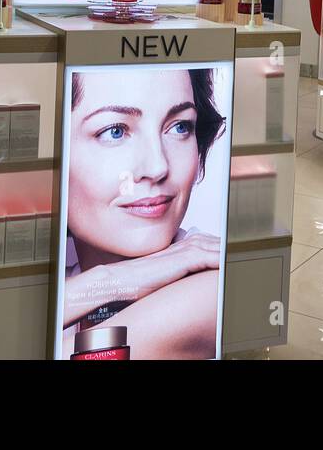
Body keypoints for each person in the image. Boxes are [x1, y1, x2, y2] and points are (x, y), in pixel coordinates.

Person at [61, 66, 227, 359]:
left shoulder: (210, 290)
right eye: (115, 131)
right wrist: (115, 279)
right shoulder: (58, 277)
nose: (157, 166)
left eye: (180, 127)